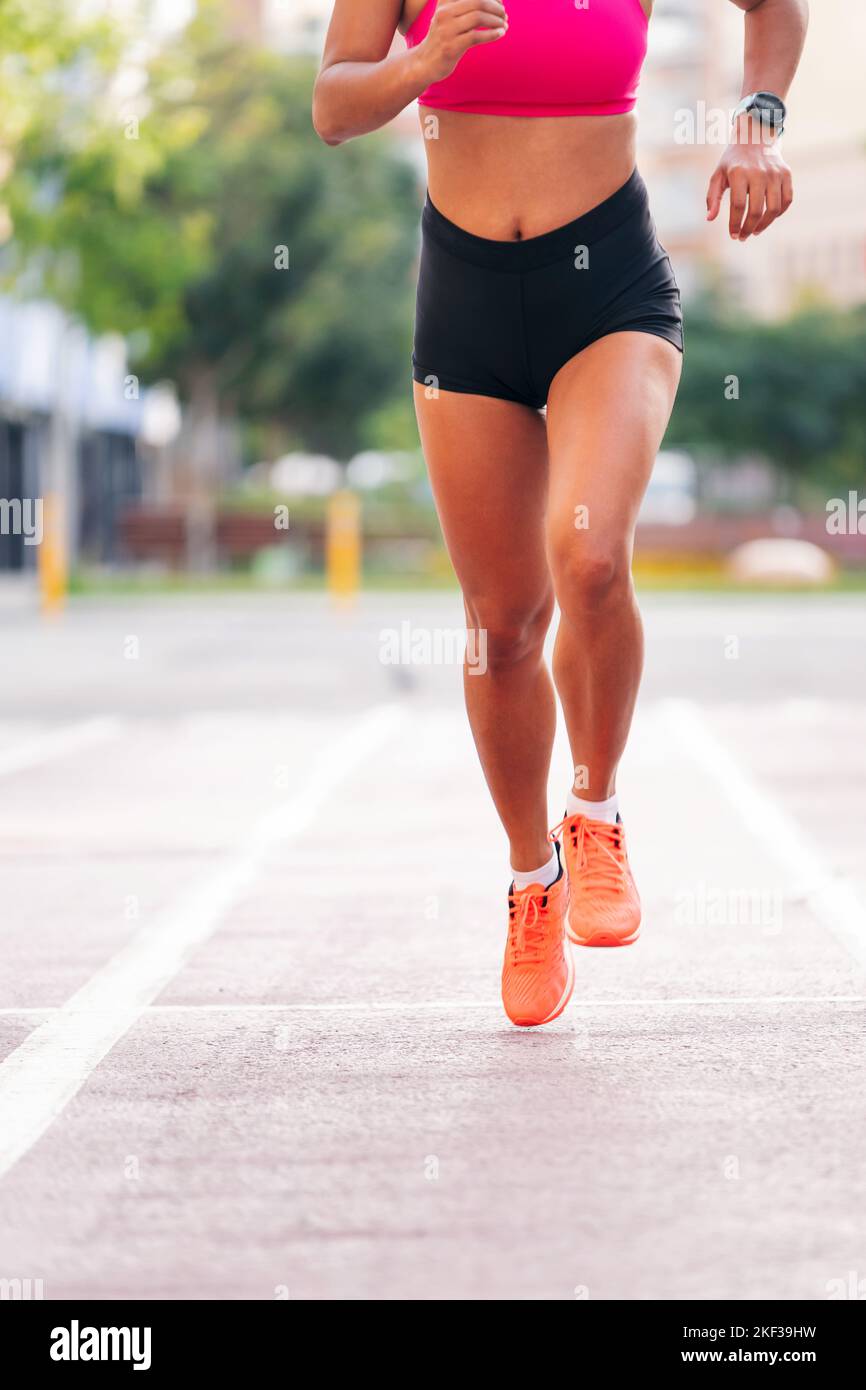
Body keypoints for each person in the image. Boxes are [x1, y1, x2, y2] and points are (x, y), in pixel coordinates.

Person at [313, 1, 808, 1026]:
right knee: (501, 623)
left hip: (609, 289)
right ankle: (529, 877)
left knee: (588, 556)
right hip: (465, 293)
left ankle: (593, 810)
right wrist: (425, 63)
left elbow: (773, 8)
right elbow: (331, 103)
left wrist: (756, 123)